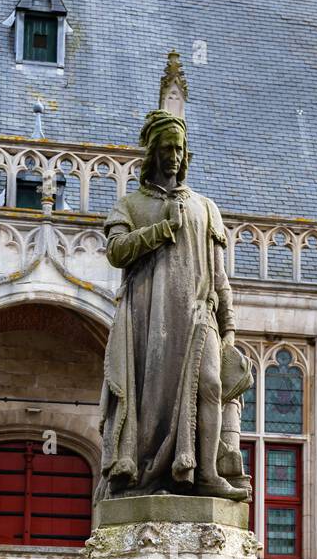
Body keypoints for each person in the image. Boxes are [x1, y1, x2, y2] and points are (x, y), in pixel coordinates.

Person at [95, 109, 251, 502]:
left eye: (179, 149)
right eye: (167, 148)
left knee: (211, 385)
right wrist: (162, 229)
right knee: (152, 404)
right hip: (151, 317)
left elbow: (219, 275)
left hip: (199, 315)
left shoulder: (205, 207)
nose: (174, 156)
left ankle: (207, 473)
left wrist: (229, 328)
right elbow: (116, 251)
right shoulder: (131, 205)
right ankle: (146, 471)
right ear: (153, 153)